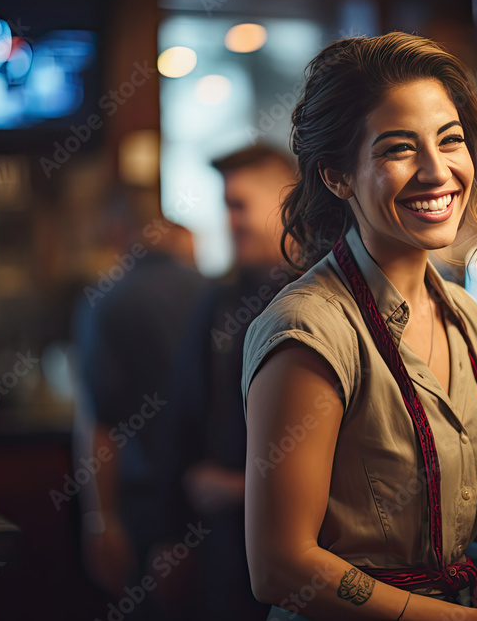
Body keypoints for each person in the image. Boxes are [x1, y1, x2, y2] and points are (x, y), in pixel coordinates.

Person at [241, 32, 477, 621]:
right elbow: (281, 565)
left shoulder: (463, 314)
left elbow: (465, 493)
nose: (436, 170)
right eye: (399, 149)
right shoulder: (309, 331)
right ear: (337, 176)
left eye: (450, 140)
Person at [162, 145, 296, 620]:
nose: (230, 221)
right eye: (226, 206)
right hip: (223, 553)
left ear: (287, 201)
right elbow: (184, 414)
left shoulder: (328, 294)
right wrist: (171, 537)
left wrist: (242, 487)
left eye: (239, 205)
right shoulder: (219, 300)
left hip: (312, 558)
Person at [72, 185, 202, 610]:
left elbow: (100, 424)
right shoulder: (212, 292)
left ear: (115, 229)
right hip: (213, 499)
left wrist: (101, 521)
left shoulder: (107, 302)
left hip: (143, 503)